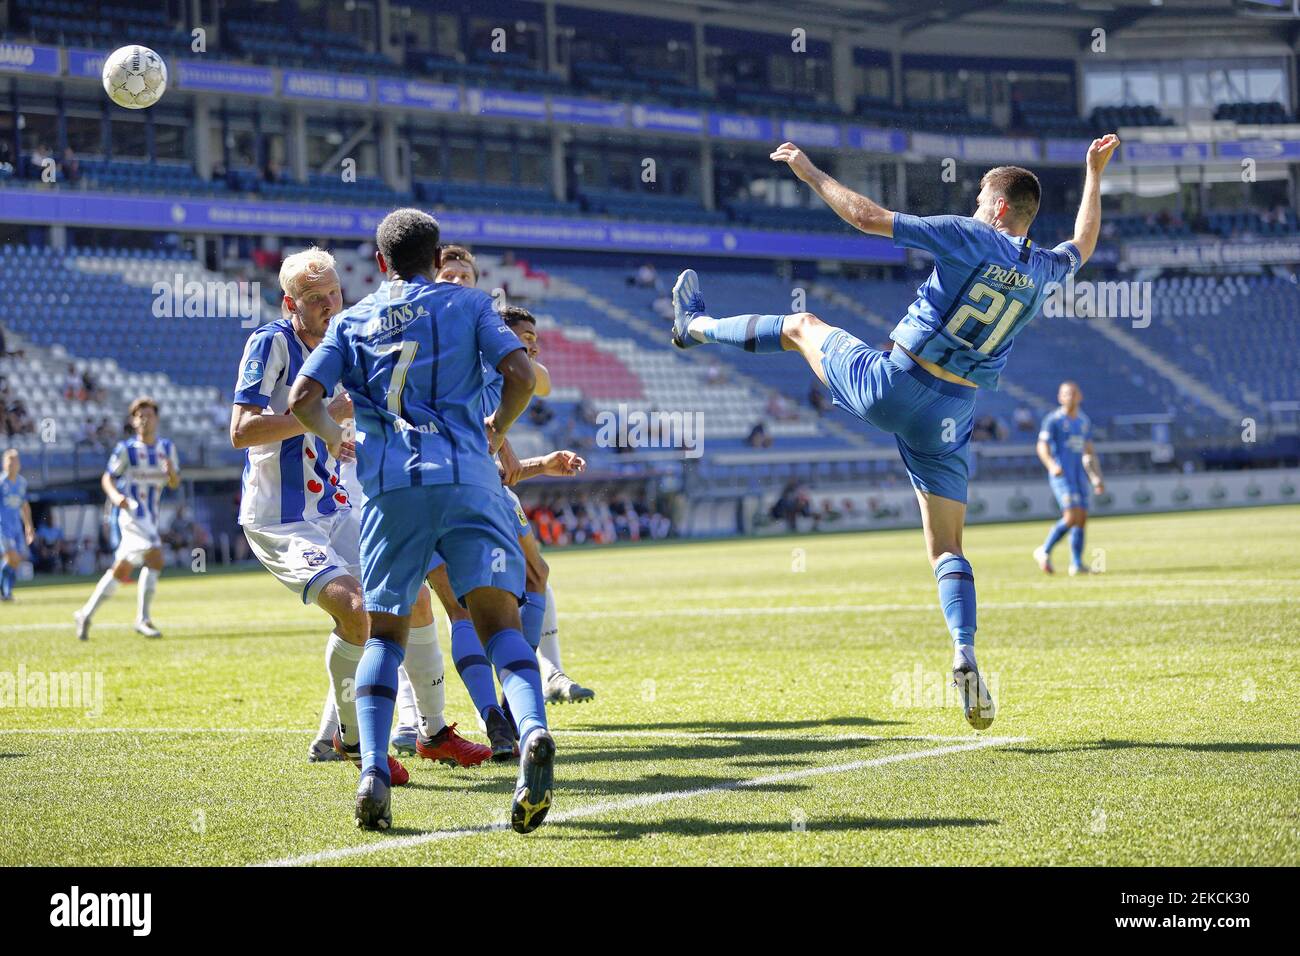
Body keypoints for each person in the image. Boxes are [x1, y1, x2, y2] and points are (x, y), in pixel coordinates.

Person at [665, 133, 1121, 731]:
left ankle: (694, 325)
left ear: (1000, 208)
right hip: (954, 415)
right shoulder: (1041, 269)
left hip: (895, 383)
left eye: (982, 196)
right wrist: (1093, 174)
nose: (976, 202)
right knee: (948, 549)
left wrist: (808, 172)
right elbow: (1082, 244)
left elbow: (869, 218)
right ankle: (964, 648)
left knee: (802, 325)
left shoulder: (969, 234)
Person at [289, 209, 555, 833]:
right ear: (439, 260)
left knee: (384, 637)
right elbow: (520, 375)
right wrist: (498, 429)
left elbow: (303, 400)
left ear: (379, 263)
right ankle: (534, 731)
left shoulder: (352, 320)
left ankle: (374, 771)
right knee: (499, 625)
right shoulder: (468, 305)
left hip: (393, 492)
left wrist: (333, 435)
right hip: (468, 480)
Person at [233, 247, 486, 776]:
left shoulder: (346, 338)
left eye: (333, 294)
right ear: (290, 302)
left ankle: (432, 732)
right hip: (281, 517)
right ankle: (351, 743)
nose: (328, 304)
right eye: (314, 298)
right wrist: (318, 416)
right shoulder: (271, 342)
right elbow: (242, 430)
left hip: (335, 505)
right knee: (354, 609)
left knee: (412, 595)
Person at [73, 397, 181, 640]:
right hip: (131, 514)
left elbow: (175, 483)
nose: (144, 419)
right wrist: (115, 496)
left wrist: (171, 473)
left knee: (122, 569)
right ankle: (142, 619)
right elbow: (107, 477)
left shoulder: (167, 448)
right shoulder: (126, 450)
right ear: (133, 421)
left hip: (151, 517)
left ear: (157, 419)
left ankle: (85, 613)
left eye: (149, 415)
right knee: (156, 554)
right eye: (139, 416)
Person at [1034, 381, 1105, 576]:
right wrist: (1051, 465)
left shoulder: (1083, 422)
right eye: (1066, 394)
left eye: (1073, 393)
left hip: (1079, 476)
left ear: (1080, 396)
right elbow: (1042, 446)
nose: (1070, 397)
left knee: (1081, 518)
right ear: (1060, 397)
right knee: (1071, 516)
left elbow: (1089, 452)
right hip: (1062, 475)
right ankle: (1044, 550)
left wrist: (1096, 477)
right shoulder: (1053, 420)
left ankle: (1076, 564)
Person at [0, 449, 35, 601]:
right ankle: (6, 592)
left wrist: (28, 526)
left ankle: (5, 591)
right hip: (3, 527)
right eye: (9, 462)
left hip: (16, 527)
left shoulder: (22, 483)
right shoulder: (1, 483)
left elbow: (24, 505)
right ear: (4, 464)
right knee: (11, 557)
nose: (12, 465)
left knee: (16, 560)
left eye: (15, 462)